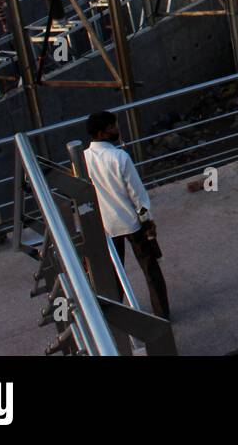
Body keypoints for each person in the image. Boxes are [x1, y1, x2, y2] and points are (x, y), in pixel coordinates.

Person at [84, 110, 171, 320]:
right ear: (102, 132)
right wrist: (147, 219)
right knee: (150, 268)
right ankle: (162, 315)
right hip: (132, 222)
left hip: (104, 226)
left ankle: (116, 317)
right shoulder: (119, 157)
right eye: (113, 127)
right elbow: (137, 194)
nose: (117, 130)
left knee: (114, 274)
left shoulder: (82, 159)